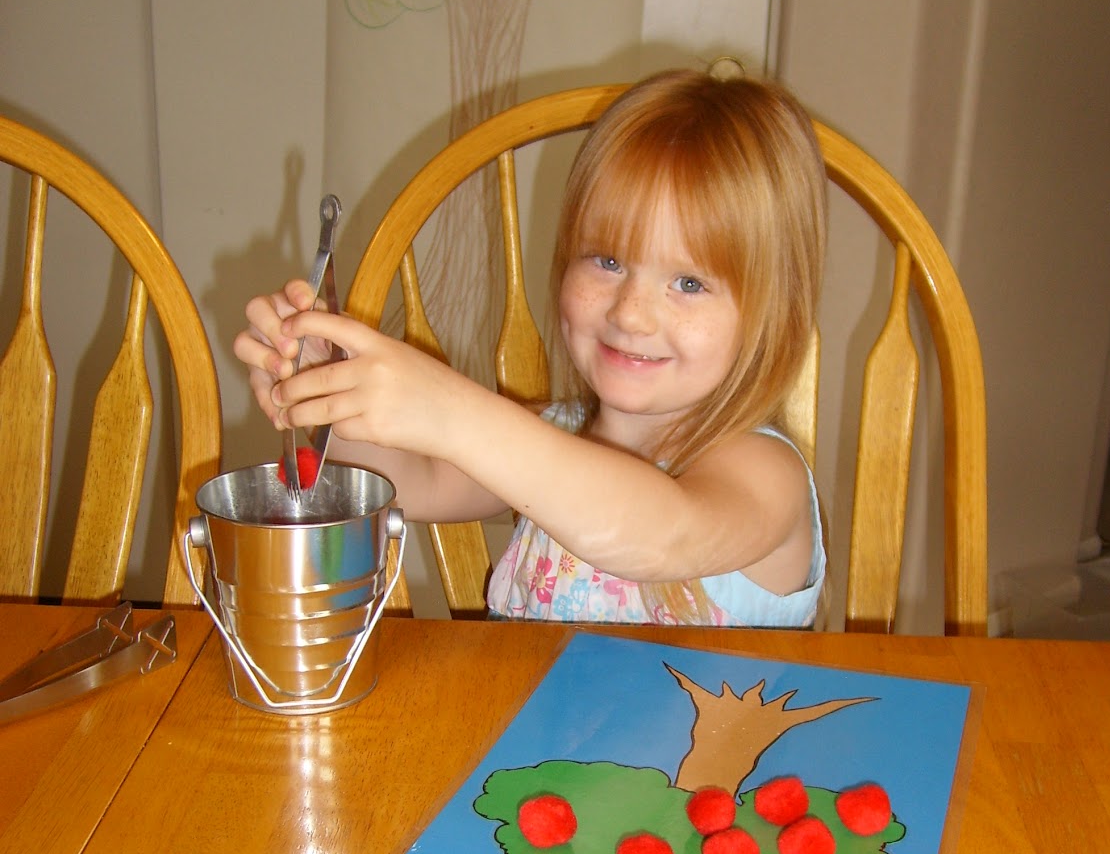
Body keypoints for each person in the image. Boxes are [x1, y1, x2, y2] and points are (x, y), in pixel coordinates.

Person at [235, 63, 828, 626]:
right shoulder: (555, 432)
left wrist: (449, 410)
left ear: (772, 316)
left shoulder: (766, 476)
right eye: (609, 260)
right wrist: (331, 391)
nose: (631, 313)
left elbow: (657, 534)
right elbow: (415, 483)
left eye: (689, 283)